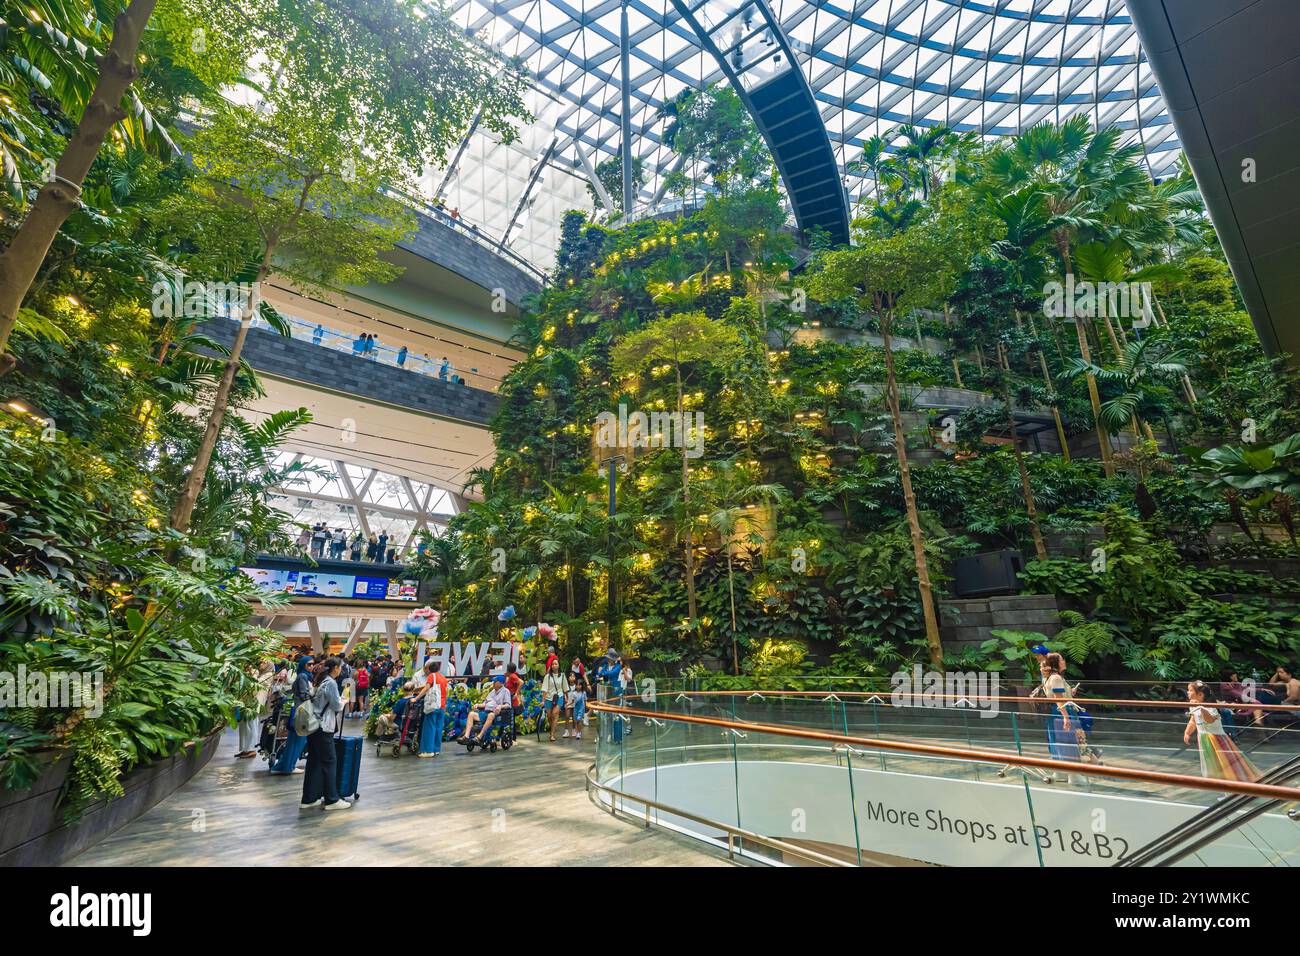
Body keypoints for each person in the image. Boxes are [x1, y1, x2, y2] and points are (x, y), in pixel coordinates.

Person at [1185, 680, 1258, 782]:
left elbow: (1209, 719)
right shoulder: (1192, 705)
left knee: (1225, 763)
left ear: (1200, 695)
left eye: (1190, 690)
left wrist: (1200, 708)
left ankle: (1235, 784)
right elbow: (1193, 720)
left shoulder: (1210, 707)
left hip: (1216, 739)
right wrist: (1187, 732)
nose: (1187, 693)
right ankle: (1220, 785)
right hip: (1204, 738)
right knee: (1212, 764)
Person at [301, 657, 349, 810]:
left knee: (314, 762)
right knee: (329, 762)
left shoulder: (321, 681)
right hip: (323, 727)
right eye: (340, 667)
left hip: (313, 726)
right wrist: (344, 701)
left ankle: (309, 799)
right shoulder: (331, 683)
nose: (341, 669)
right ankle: (332, 799)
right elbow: (335, 706)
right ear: (335, 668)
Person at [1039, 652, 1083, 785]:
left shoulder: (1048, 677)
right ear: (1056, 663)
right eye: (1062, 660)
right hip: (1061, 712)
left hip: (1054, 713)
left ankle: (1058, 772)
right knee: (1068, 742)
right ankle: (1073, 776)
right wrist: (1066, 717)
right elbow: (1059, 699)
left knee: (1057, 742)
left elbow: (1056, 695)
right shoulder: (1056, 678)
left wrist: (1070, 692)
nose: (1064, 661)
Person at [271, 657, 314, 774]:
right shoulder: (303, 677)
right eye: (308, 664)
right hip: (303, 712)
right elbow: (304, 695)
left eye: (312, 664)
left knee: (293, 741)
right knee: (297, 741)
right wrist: (316, 696)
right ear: (303, 665)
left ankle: (282, 766)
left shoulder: (302, 675)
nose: (311, 667)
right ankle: (288, 767)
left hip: (298, 710)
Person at [235, 661, 273, 758]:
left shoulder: (269, 675)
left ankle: (250, 749)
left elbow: (255, 684)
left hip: (255, 705)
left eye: (264, 663)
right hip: (249, 703)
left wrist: (253, 673)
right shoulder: (261, 674)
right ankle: (244, 749)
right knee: (244, 726)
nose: (261, 664)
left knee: (250, 726)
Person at [458, 676, 511, 745]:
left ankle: (479, 737)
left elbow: (508, 705)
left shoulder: (505, 691)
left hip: (497, 714)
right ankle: (466, 736)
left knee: (491, 715)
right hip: (486, 712)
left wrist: (500, 706)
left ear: (501, 683)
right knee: (471, 714)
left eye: (495, 682)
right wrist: (478, 705)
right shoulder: (492, 691)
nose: (493, 683)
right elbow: (485, 704)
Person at [417, 661, 447, 758]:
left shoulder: (431, 676)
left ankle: (427, 751)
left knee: (429, 727)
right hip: (441, 706)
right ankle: (436, 749)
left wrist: (416, 698)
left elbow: (426, 688)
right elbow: (446, 692)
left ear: (430, 669)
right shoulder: (443, 678)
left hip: (433, 706)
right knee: (438, 728)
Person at [540, 659, 568, 742]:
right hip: (549, 698)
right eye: (553, 664)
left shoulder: (562, 676)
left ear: (559, 666)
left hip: (559, 696)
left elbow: (565, 687)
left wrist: (566, 697)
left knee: (554, 714)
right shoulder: (547, 676)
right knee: (549, 716)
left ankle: (552, 734)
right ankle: (553, 728)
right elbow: (544, 689)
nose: (554, 665)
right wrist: (543, 700)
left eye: (556, 664)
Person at [565, 671, 587, 740]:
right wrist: (568, 704)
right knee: (574, 719)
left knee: (578, 720)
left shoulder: (584, 693)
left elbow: (585, 701)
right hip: (575, 708)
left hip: (581, 708)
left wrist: (586, 708)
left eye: (579, 685)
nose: (578, 686)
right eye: (577, 685)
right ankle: (576, 731)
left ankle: (578, 732)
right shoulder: (574, 693)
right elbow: (572, 701)